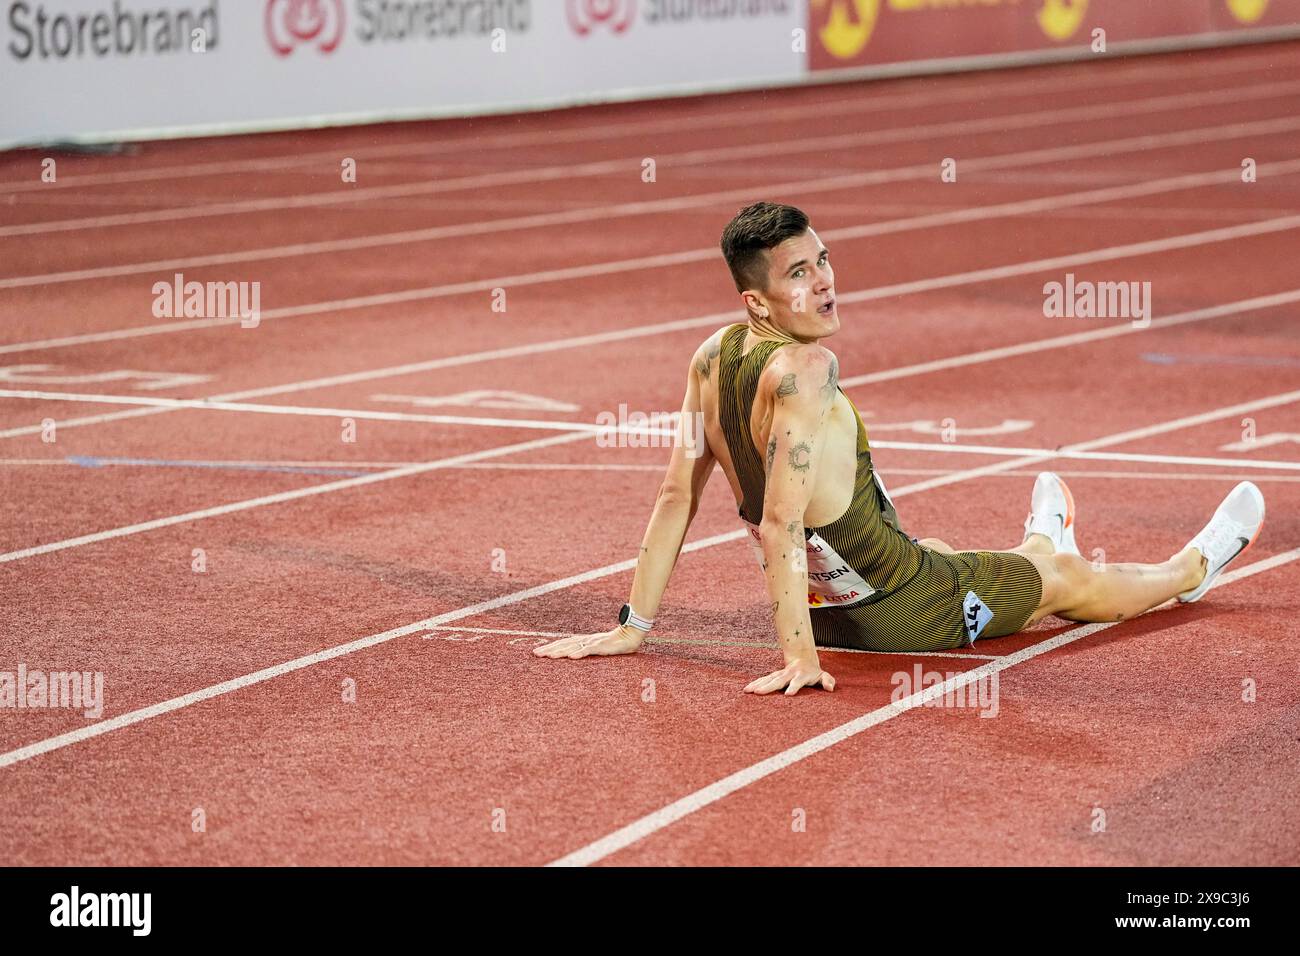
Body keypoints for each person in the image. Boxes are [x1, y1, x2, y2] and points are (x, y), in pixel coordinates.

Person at [534, 202, 1266, 696]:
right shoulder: (806, 372)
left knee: (944, 546)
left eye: (822, 259)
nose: (823, 281)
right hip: (903, 612)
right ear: (758, 301)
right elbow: (783, 524)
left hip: (831, 609)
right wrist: (799, 661)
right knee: (1070, 584)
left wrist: (633, 630)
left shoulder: (709, 357)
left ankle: (1039, 541)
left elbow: (675, 499)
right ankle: (1191, 568)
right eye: (798, 274)